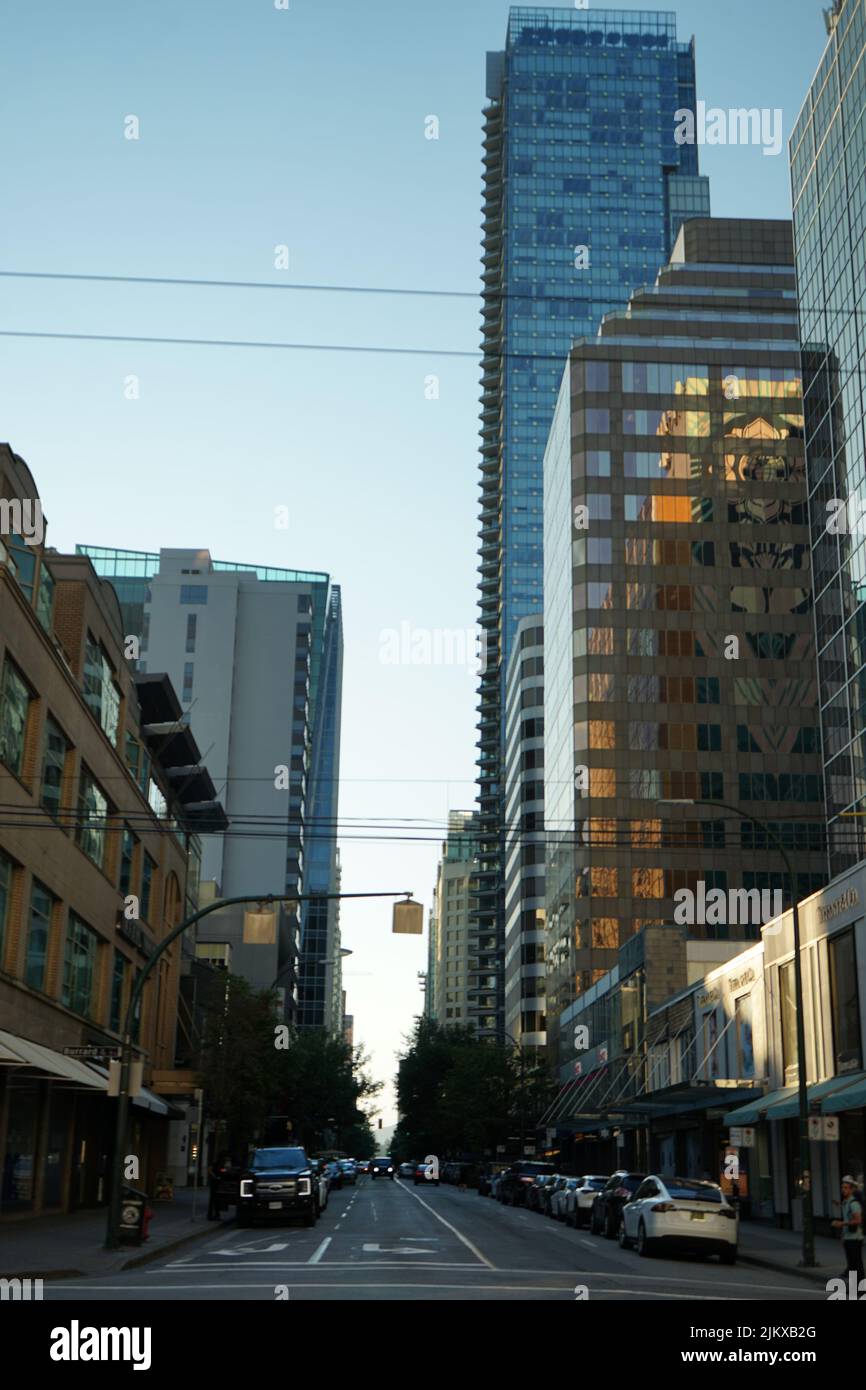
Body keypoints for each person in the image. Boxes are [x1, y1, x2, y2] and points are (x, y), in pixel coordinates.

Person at [832, 1174, 864, 1281]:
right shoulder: (846, 1203)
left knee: (856, 1265)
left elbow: (858, 1220)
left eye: (846, 1188)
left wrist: (842, 1224)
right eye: (842, 1188)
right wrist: (843, 1236)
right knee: (852, 1265)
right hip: (849, 1237)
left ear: (851, 1190)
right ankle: (855, 1289)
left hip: (855, 1238)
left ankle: (861, 1288)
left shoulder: (853, 1204)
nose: (843, 1190)